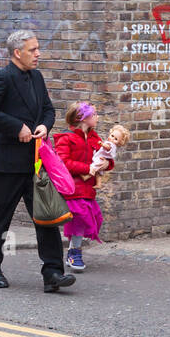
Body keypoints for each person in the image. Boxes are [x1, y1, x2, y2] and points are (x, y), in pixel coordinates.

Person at [0, 30, 75, 294]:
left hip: (36, 164)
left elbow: (48, 110)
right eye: (33, 49)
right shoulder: (3, 78)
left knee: (47, 217)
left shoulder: (37, 77)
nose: (38, 53)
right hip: (7, 164)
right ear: (18, 53)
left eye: (38, 48)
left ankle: (53, 272)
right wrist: (16, 127)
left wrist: (43, 125)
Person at [54, 102, 116, 272]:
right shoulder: (65, 138)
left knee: (91, 217)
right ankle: (75, 253)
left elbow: (105, 159)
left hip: (88, 186)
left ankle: (71, 251)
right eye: (94, 114)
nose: (97, 117)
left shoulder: (96, 138)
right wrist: (87, 168)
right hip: (71, 187)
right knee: (80, 216)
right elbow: (63, 162)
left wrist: (106, 165)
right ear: (82, 118)